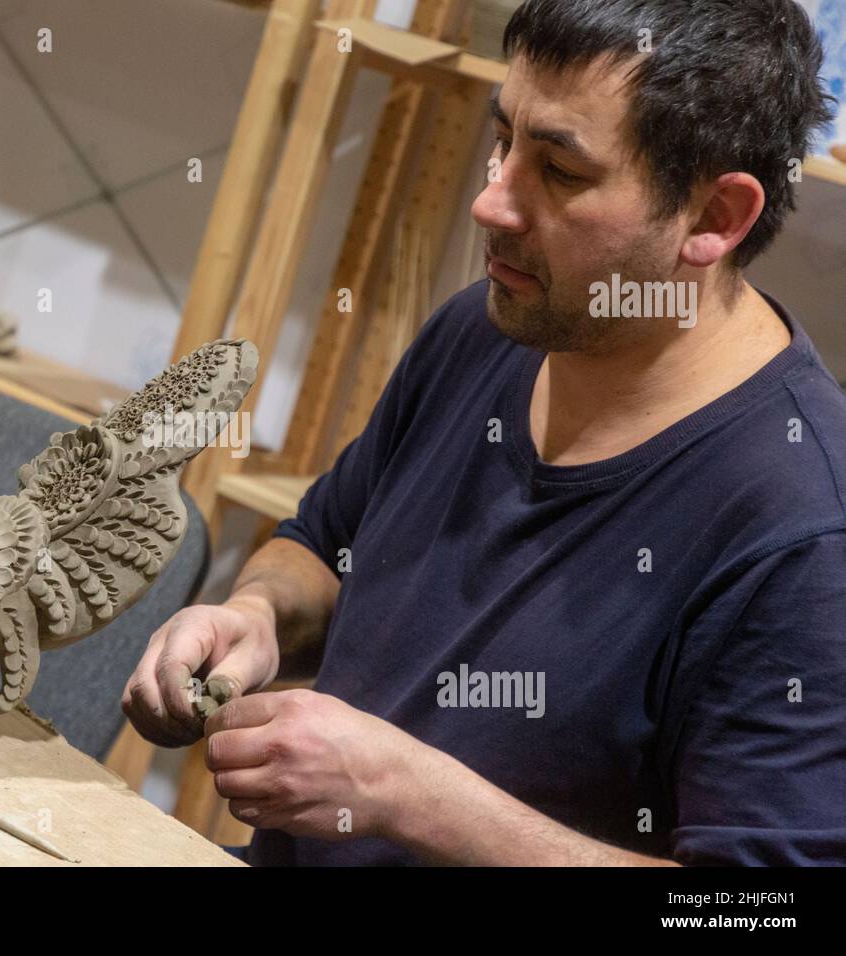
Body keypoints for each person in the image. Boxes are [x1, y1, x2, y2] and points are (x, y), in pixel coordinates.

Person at [122, 0, 846, 866]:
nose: (491, 201)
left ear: (715, 218)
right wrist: (258, 613)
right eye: (504, 140)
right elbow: (322, 543)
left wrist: (406, 796)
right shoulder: (492, 327)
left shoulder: (804, 530)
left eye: (561, 172)